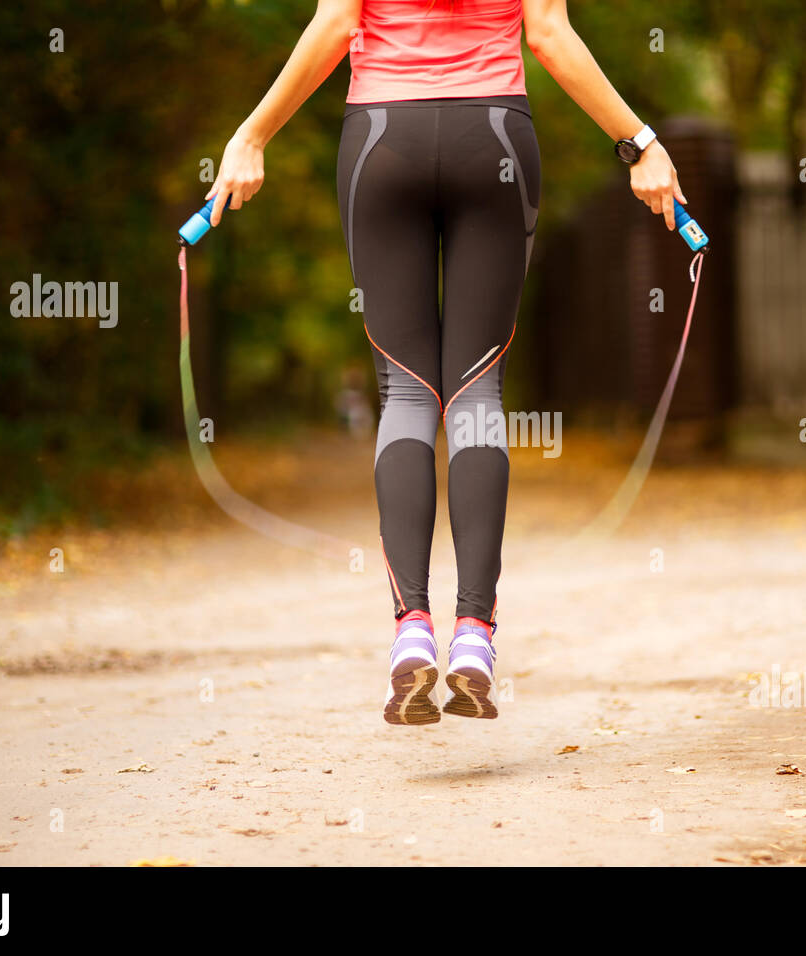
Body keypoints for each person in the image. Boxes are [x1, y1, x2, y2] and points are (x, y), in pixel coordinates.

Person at [206, 0, 687, 725]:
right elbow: (549, 34)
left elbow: (337, 24)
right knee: (475, 395)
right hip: (490, 135)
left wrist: (252, 134)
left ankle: (410, 632)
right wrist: (640, 141)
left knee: (405, 393)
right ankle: (473, 639)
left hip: (381, 138)